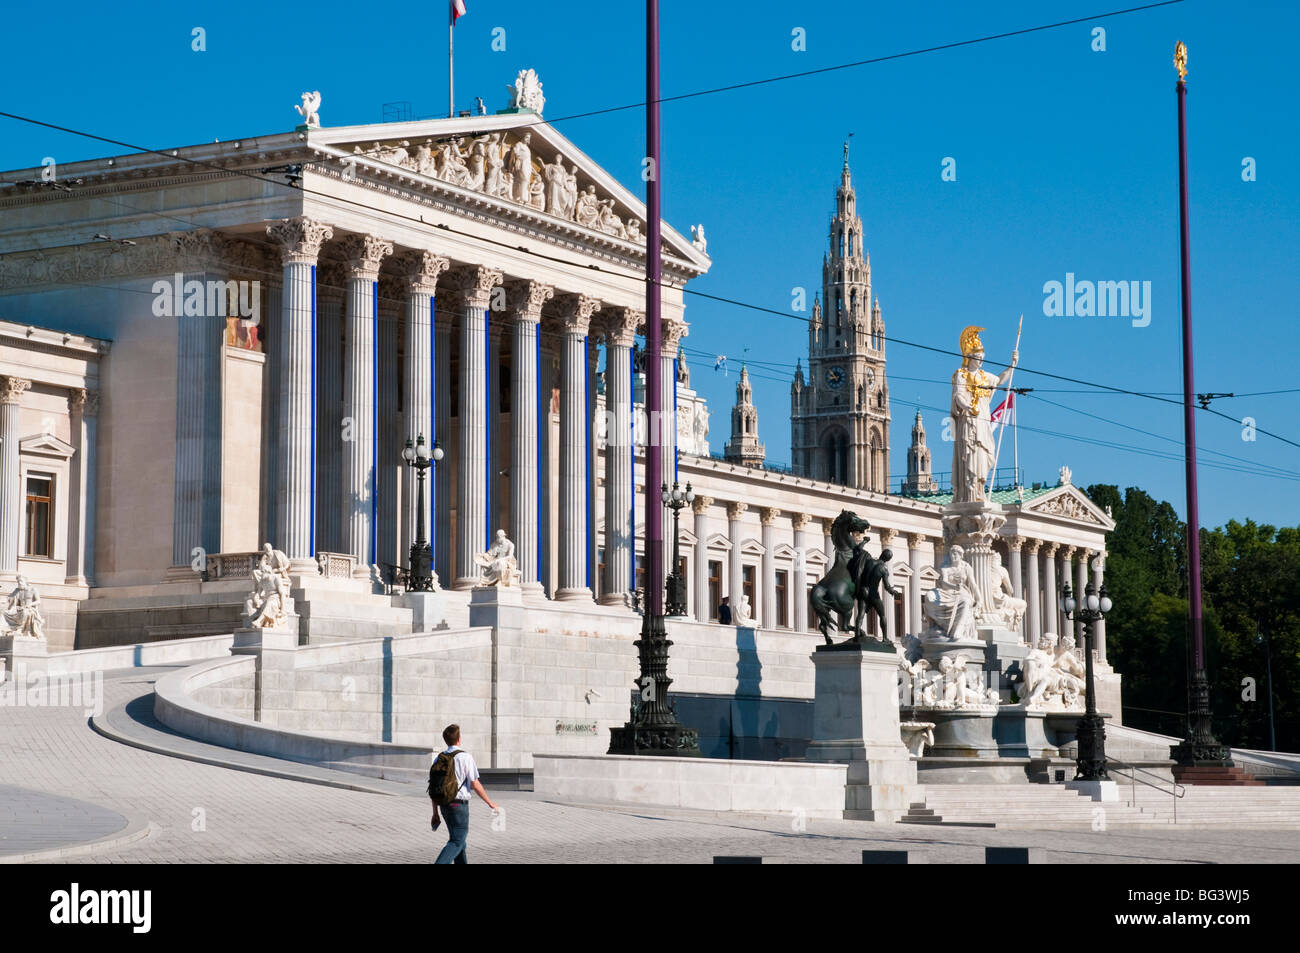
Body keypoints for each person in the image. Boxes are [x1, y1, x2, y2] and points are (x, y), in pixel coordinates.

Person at [431, 724, 499, 864]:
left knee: (460, 841)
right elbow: (475, 784)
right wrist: (490, 802)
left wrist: (435, 813)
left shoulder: (439, 758)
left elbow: (434, 786)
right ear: (459, 739)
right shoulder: (465, 757)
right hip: (458, 805)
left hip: (444, 805)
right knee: (456, 842)